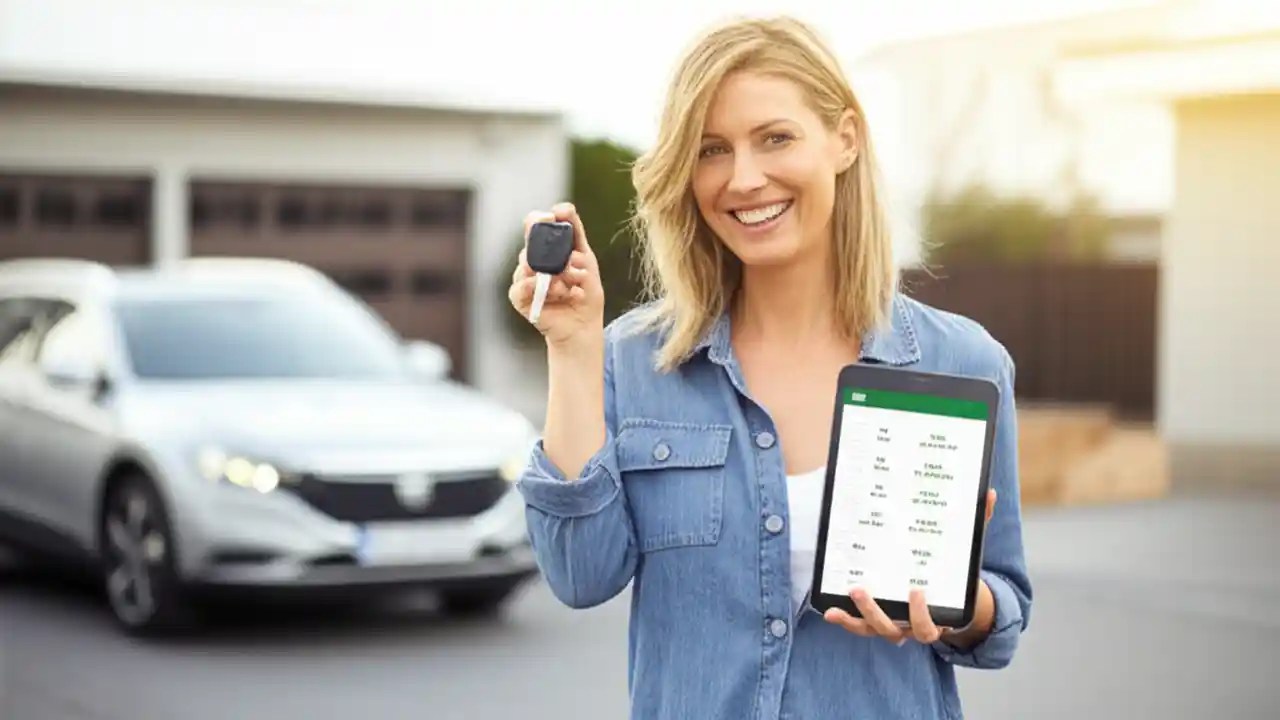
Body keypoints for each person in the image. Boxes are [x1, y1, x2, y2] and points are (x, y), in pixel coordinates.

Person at [506, 15, 1031, 720]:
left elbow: (1003, 611)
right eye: (712, 149)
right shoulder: (633, 361)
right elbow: (578, 574)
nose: (744, 178)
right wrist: (572, 347)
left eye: (775, 138)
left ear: (844, 138)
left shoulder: (963, 363)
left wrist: (957, 604)